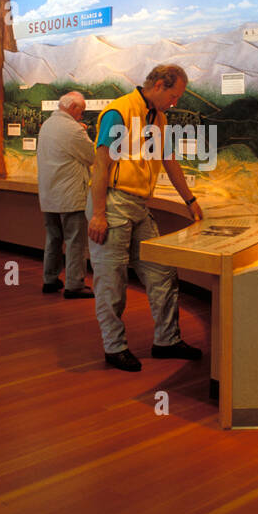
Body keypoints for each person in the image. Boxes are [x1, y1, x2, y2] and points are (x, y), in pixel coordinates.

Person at [87, 64, 204, 372]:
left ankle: (167, 340)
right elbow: (101, 166)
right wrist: (98, 214)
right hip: (113, 203)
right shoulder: (119, 112)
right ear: (160, 86)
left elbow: (167, 160)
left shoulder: (159, 118)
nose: (175, 103)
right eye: (174, 95)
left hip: (139, 205)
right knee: (111, 281)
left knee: (162, 273)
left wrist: (190, 200)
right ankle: (114, 347)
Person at [37, 91, 95, 299]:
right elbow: (92, 156)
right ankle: (74, 284)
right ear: (73, 108)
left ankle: (50, 279)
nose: (83, 115)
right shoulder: (72, 129)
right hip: (70, 195)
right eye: (82, 110)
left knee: (53, 238)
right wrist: (84, 133)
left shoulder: (48, 125)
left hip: (49, 194)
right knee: (75, 241)